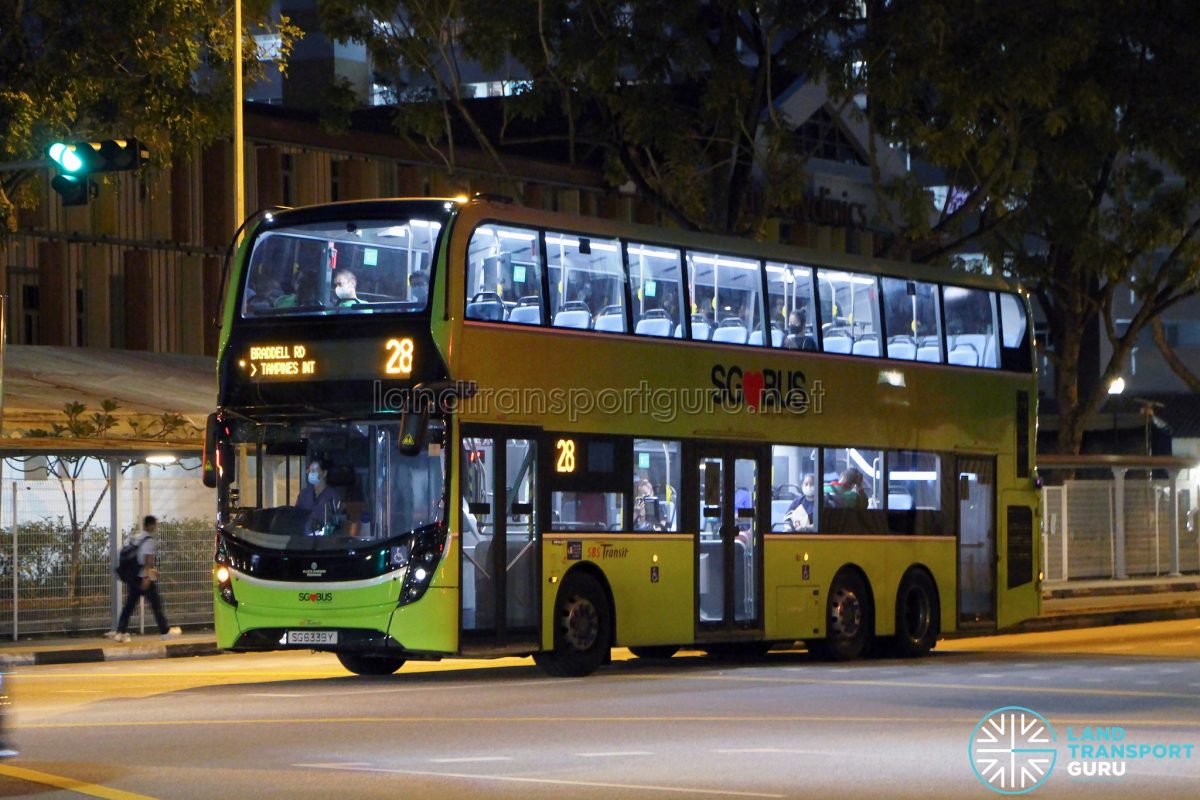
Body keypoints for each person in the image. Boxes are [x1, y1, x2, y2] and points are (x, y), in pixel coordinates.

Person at [107, 516, 182, 642]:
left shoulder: (136, 537)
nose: (156, 527)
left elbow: (133, 556)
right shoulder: (150, 541)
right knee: (156, 605)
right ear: (151, 525)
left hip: (134, 577)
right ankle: (165, 632)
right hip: (144, 578)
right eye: (155, 525)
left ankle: (120, 633)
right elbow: (148, 561)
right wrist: (147, 578)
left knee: (129, 606)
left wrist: (151, 572)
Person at [296, 456, 342, 533]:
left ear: (324, 473)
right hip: (303, 538)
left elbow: (334, 522)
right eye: (309, 471)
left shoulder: (333, 496)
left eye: (313, 471)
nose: (310, 474)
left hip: (324, 540)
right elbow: (296, 516)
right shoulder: (304, 494)